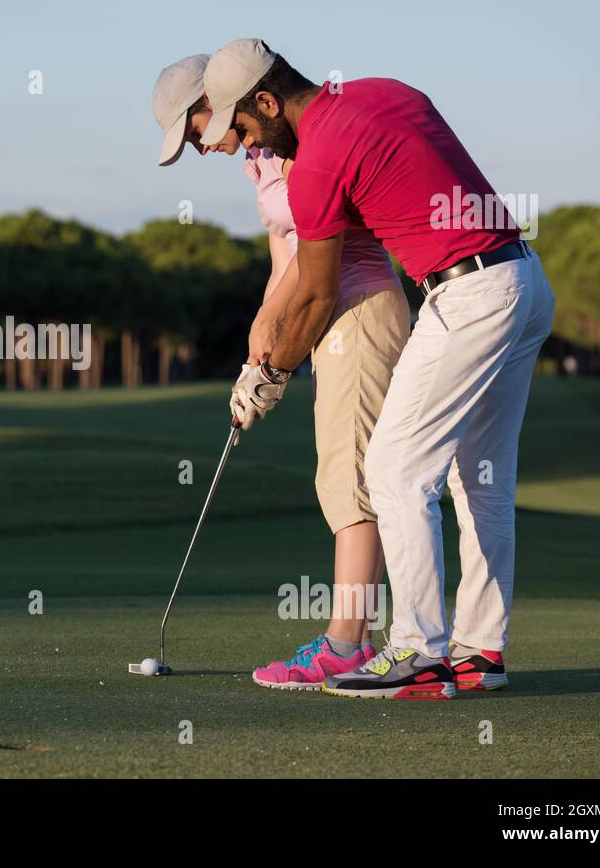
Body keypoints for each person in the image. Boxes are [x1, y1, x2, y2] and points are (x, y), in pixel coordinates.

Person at [203, 39, 554, 699]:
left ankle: (418, 651)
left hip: (469, 294)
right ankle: (481, 651)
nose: (251, 144)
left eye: (246, 127)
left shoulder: (313, 165)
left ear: (269, 101)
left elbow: (312, 292)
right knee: (480, 478)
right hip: (524, 279)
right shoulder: (384, 89)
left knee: (393, 467)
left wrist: (269, 373)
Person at [152, 54, 410, 690]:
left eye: (195, 132)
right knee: (340, 473)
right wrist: (257, 350)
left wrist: (271, 341)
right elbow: (281, 260)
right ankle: (358, 638)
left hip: (358, 309)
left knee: (350, 475)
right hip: (321, 321)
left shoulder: (295, 145)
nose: (199, 148)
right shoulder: (259, 160)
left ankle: (347, 644)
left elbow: (318, 245)